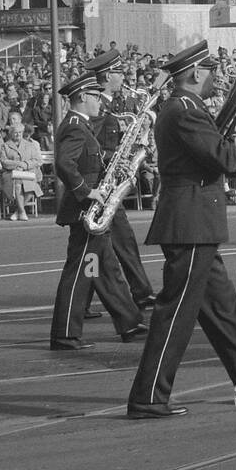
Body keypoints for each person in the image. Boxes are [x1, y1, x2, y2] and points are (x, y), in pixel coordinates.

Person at [127, 41, 236, 419]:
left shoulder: (187, 108)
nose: (218, 77)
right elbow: (227, 161)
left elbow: (212, 152)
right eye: (212, 71)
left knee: (222, 306)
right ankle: (148, 396)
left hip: (195, 220)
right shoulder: (185, 111)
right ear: (196, 74)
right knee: (175, 314)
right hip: (191, 223)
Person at [48, 71, 148, 351]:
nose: (98, 101)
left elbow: (86, 158)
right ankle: (65, 334)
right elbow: (64, 164)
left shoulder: (80, 125)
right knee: (81, 271)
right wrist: (86, 191)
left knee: (103, 269)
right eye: (94, 96)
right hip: (86, 209)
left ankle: (129, 323)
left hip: (93, 208)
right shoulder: (75, 126)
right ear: (81, 97)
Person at [90, 52, 159, 310]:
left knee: (114, 243)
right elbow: (92, 146)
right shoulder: (98, 105)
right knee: (98, 248)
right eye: (119, 73)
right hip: (101, 183)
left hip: (109, 184)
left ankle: (139, 292)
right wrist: (116, 160)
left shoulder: (112, 103)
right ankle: (138, 293)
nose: (124, 77)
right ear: (108, 76)